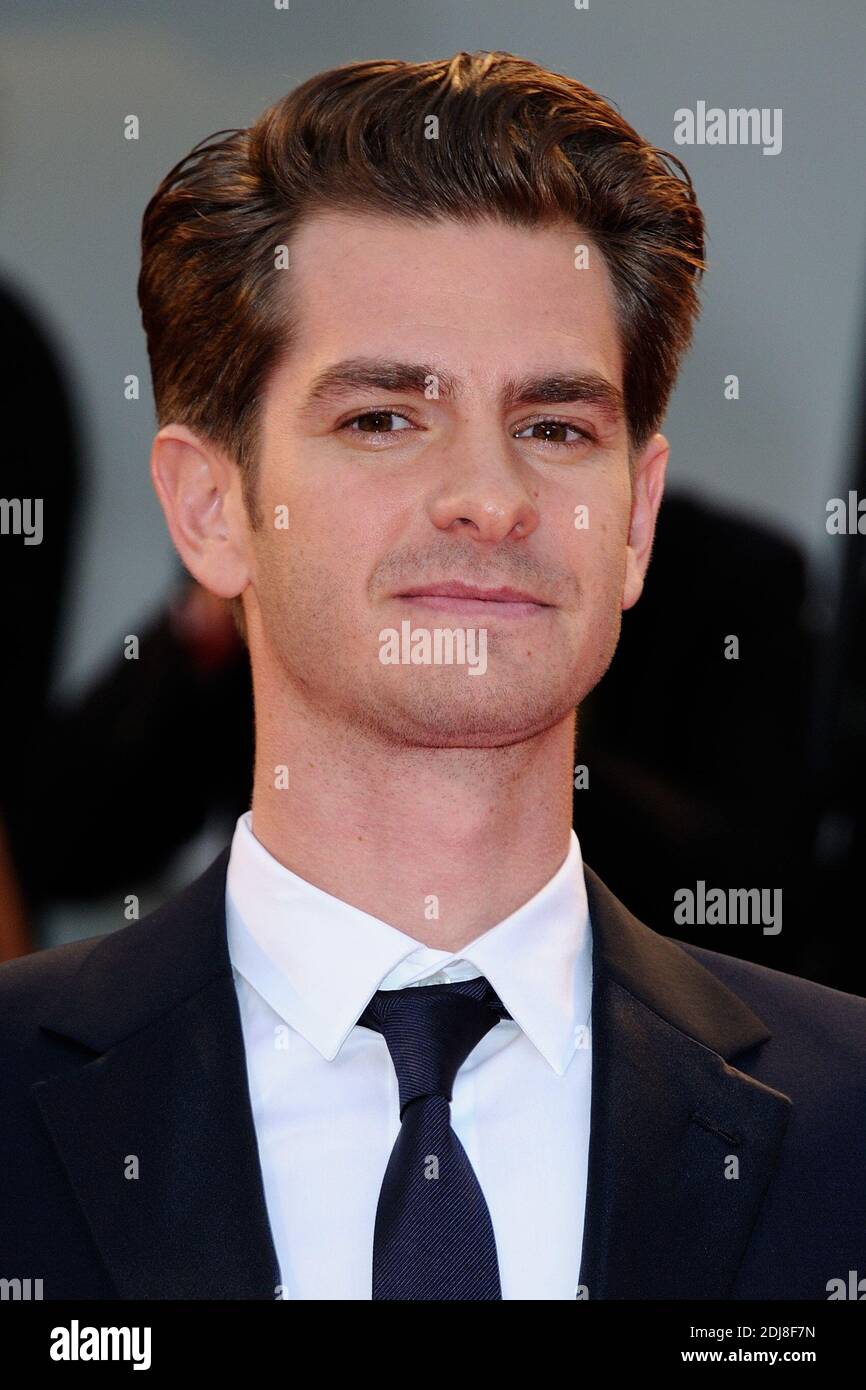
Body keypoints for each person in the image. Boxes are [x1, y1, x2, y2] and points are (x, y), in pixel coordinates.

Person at [1, 50, 864, 1302]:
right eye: (382, 419)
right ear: (209, 509)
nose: (486, 498)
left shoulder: (845, 1124)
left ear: (634, 522)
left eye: (554, 426)